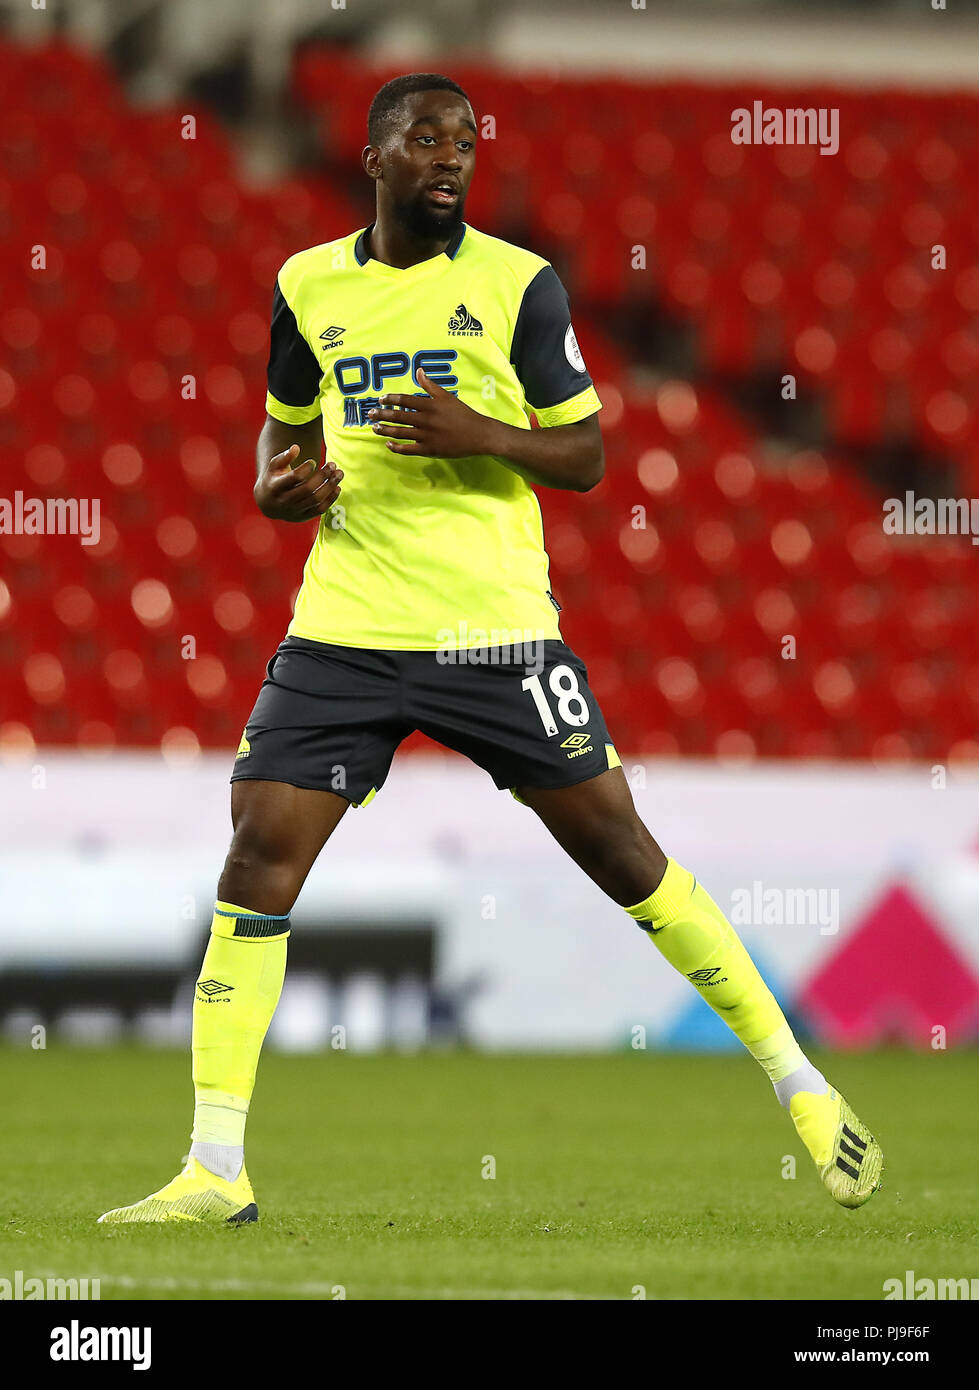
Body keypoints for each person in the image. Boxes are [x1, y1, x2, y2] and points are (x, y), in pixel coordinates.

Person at [99, 73, 882, 1225]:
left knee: (623, 853)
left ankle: (803, 1085)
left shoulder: (520, 286)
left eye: (465, 140)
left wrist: (480, 433)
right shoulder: (306, 284)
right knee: (258, 852)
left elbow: (585, 459)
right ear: (374, 158)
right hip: (347, 624)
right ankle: (217, 1165)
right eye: (426, 138)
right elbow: (278, 452)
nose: (452, 157)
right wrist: (287, 489)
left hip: (495, 630)